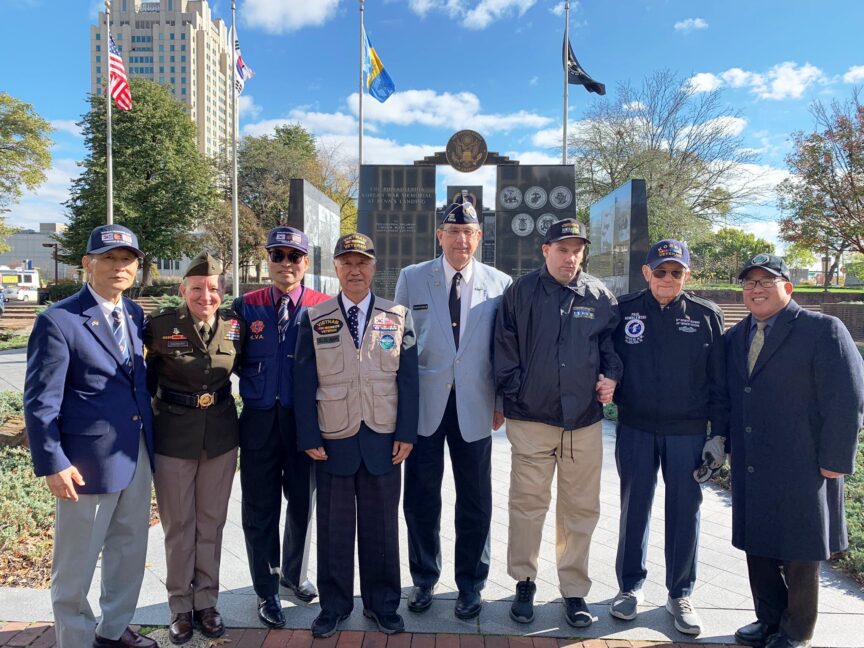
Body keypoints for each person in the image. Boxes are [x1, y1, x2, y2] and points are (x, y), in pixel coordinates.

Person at [24, 224, 156, 648]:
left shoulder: (134, 314)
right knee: (75, 564)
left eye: (127, 259)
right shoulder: (59, 320)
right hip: (83, 464)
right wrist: (53, 462)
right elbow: (40, 401)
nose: (119, 267)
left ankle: (113, 631)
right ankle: (76, 640)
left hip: (134, 453)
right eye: (108, 258)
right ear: (87, 263)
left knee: (129, 550)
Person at [726, 254, 864, 648]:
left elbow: (848, 397)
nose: (756, 289)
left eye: (766, 281)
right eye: (750, 282)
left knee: (801, 549)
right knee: (758, 543)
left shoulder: (823, 330)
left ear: (787, 287)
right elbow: (731, 395)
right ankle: (768, 619)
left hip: (805, 463)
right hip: (753, 460)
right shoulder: (735, 337)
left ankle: (796, 630)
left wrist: (836, 460)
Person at [494, 218, 622, 628]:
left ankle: (574, 589)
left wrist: (611, 376)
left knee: (580, 509)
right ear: (545, 250)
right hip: (531, 420)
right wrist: (519, 392)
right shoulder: (521, 291)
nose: (570, 257)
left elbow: (611, 348)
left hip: (582, 423)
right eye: (562, 249)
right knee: (527, 505)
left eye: (577, 250)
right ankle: (524, 581)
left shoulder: (599, 296)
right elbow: (504, 350)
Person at [295, 233, 419, 638]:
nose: (354, 270)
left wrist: (407, 433)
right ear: (335, 267)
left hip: (384, 436)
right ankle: (333, 606)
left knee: (382, 526)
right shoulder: (315, 317)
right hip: (334, 437)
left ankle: (383, 604)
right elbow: (303, 380)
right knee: (334, 527)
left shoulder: (396, 315)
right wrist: (308, 435)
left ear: (374, 267)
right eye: (346, 262)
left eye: (362, 262)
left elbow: (409, 378)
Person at [394, 195, 511, 619]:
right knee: (421, 497)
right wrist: (399, 407)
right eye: (453, 231)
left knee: (475, 500)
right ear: (439, 235)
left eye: (468, 232)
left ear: (479, 237)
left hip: (476, 404)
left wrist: (500, 401)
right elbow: (399, 346)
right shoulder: (412, 278)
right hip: (425, 406)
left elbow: (504, 349)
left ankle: (471, 584)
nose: (461, 239)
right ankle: (424, 578)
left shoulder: (500, 283)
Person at [609, 240, 728, 635]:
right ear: (646, 273)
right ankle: (629, 587)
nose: (667, 278)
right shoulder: (624, 310)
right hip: (636, 428)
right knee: (634, 508)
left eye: (676, 272)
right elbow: (608, 359)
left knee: (684, 512)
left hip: (687, 433)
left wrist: (719, 435)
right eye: (660, 271)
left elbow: (720, 382)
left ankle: (680, 593)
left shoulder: (706, 316)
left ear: (686, 275)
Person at [143, 252, 245, 644]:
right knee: (179, 526)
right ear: (183, 289)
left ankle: (207, 604)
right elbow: (144, 381)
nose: (206, 296)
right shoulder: (160, 326)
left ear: (223, 291)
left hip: (220, 435)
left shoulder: (234, 327)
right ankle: (179, 608)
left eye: (214, 288)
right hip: (173, 435)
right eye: (198, 288)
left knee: (211, 523)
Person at [232, 226, 329, 627]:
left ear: (306, 262)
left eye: (294, 256)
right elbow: (227, 359)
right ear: (268, 259)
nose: (286, 263)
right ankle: (266, 588)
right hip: (258, 422)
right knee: (260, 509)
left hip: (304, 423)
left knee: (302, 505)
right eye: (278, 255)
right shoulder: (245, 306)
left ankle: (293, 573)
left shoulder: (323, 306)